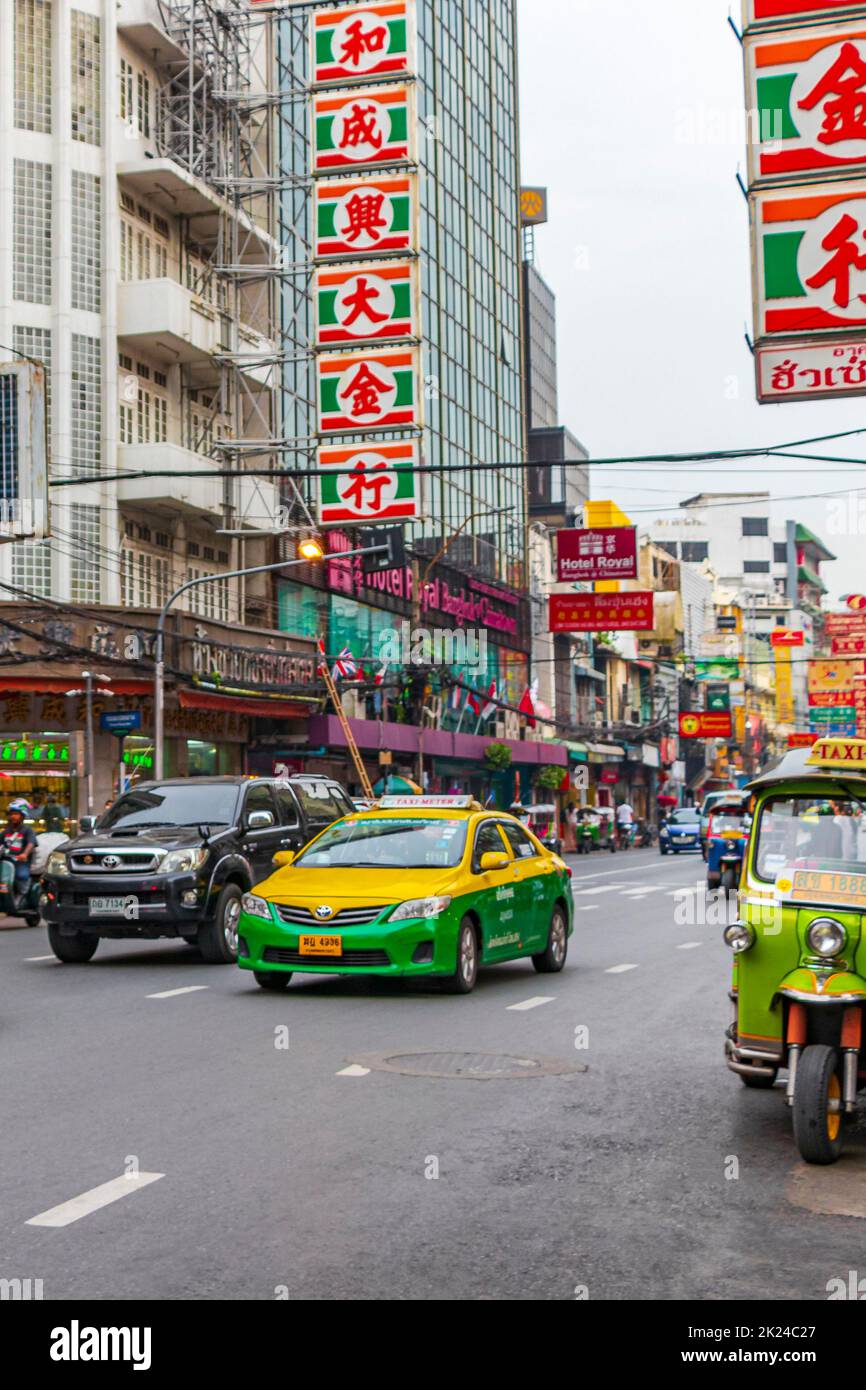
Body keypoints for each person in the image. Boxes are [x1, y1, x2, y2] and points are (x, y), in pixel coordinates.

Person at [0, 802, 37, 911]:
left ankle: (21, 895)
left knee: (21, 875)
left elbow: (31, 843)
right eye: (11, 814)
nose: (13, 816)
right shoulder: (6, 831)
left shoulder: (28, 830)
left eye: (16, 814)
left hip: (20, 862)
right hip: (6, 861)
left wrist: (25, 854)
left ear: (22, 815)